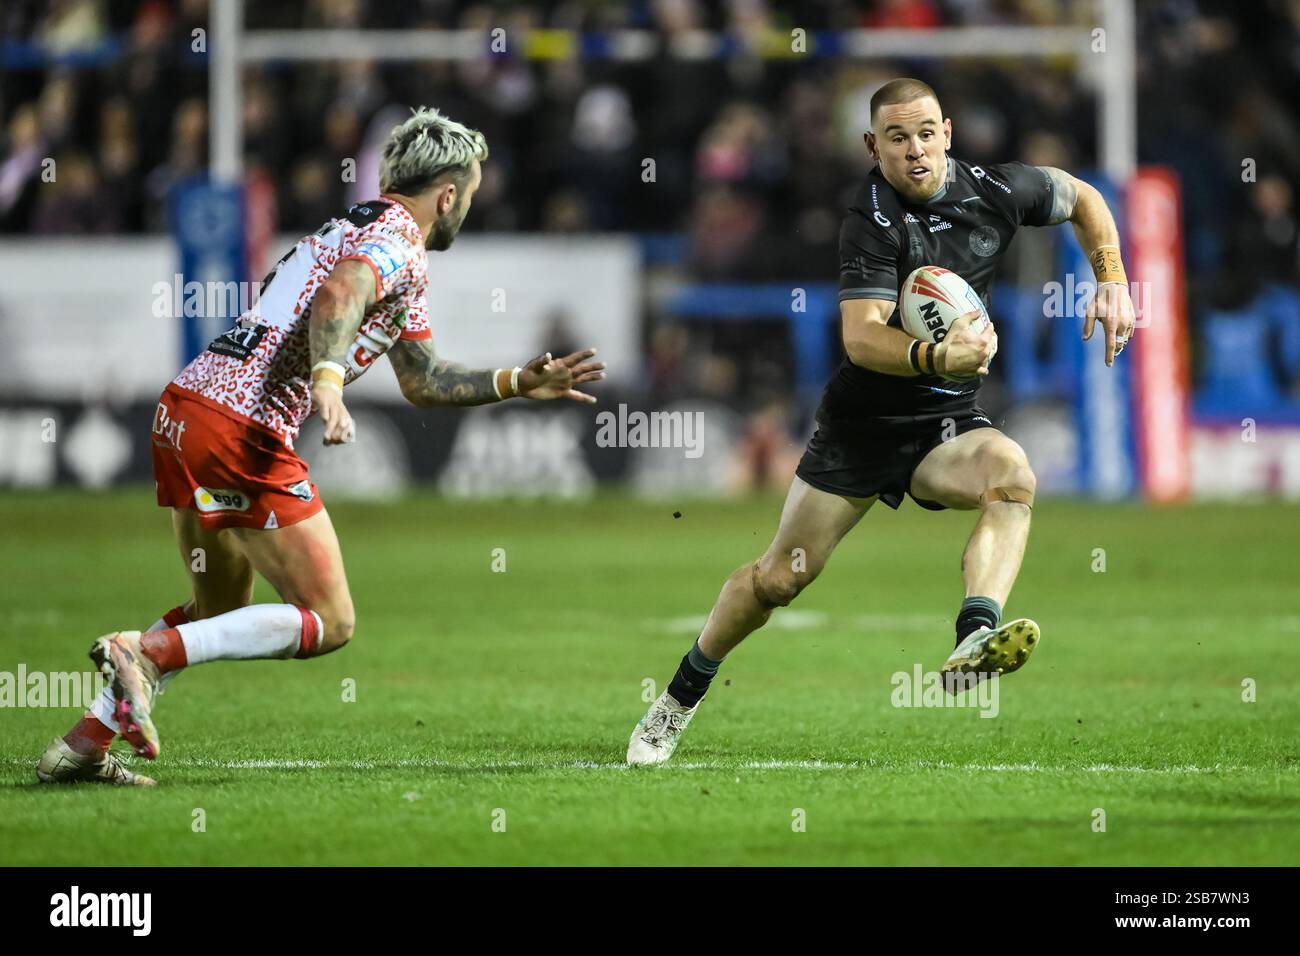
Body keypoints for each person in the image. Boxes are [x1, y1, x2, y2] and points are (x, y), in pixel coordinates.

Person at [38, 106, 605, 785]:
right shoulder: (397, 238)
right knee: (331, 621)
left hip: (186, 414)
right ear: (448, 194)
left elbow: (422, 378)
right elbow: (340, 293)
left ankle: (84, 744)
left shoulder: (357, 227)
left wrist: (516, 381)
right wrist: (328, 383)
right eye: (472, 194)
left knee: (218, 613)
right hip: (240, 430)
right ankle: (145, 652)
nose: (469, 207)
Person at [627, 78, 1136, 765]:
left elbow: (1086, 198)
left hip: (945, 421)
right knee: (780, 578)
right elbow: (861, 337)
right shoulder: (870, 218)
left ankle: (972, 636)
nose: (915, 150)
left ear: (948, 133)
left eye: (926, 133)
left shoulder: (995, 189)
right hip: (862, 426)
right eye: (897, 138)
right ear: (875, 146)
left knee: (1013, 477)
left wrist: (1110, 278)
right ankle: (676, 700)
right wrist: (938, 351)